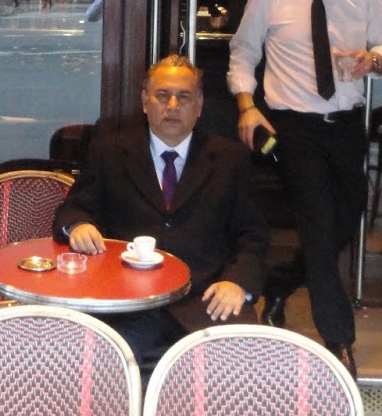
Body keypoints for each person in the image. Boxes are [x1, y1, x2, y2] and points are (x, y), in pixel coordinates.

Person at [229, 0, 382, 376]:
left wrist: (374, 60)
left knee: (346, 218)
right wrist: (247, 103)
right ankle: (338, 340)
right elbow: (243, 52)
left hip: (344, 126)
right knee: (320, 226)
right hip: (291, 128)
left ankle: (280, 284)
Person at [54, 54, 268, 369]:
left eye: (183, 97)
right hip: (128, 304)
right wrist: (78, 226)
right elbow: (72, 209)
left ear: (199, 104)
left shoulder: (229, 160)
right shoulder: (110, 151)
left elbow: (254, 238)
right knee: (98, 363)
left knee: (243, 369)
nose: (172, 105)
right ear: (144, 101)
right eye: (162, 95)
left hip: (205, 301)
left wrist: (237, 282)